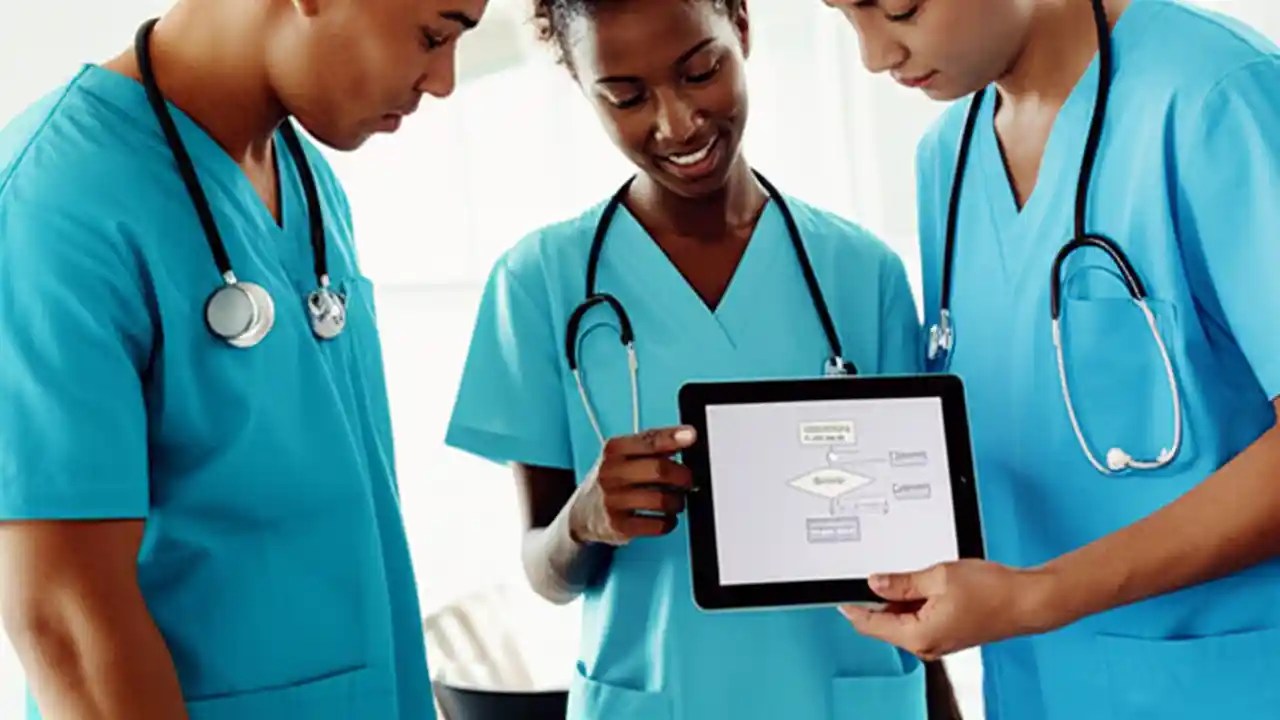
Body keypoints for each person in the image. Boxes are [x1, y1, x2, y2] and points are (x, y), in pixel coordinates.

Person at [445, 0, 964, 718]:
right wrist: (584, 520)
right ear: (579, 83)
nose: (677, 122)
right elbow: (546, 572)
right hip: (660, 699)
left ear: (742, 29)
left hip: (852, 696)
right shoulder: (540, 281)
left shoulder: (860, 271)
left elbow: (914, 566)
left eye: (701, 71)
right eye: (626, 96)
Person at [0, 0, 485, 717]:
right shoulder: (55, 200)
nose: (443, 79)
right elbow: (63, 613)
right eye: (433, 35)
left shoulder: (308, 180)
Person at [826, 0, 1280, 717]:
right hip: (1038, 688)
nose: (874, 56)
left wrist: (1042, 595)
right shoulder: (947, 156)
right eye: (843, 17)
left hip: (1232, 684)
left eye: (897, 9)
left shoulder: (1216, 98)